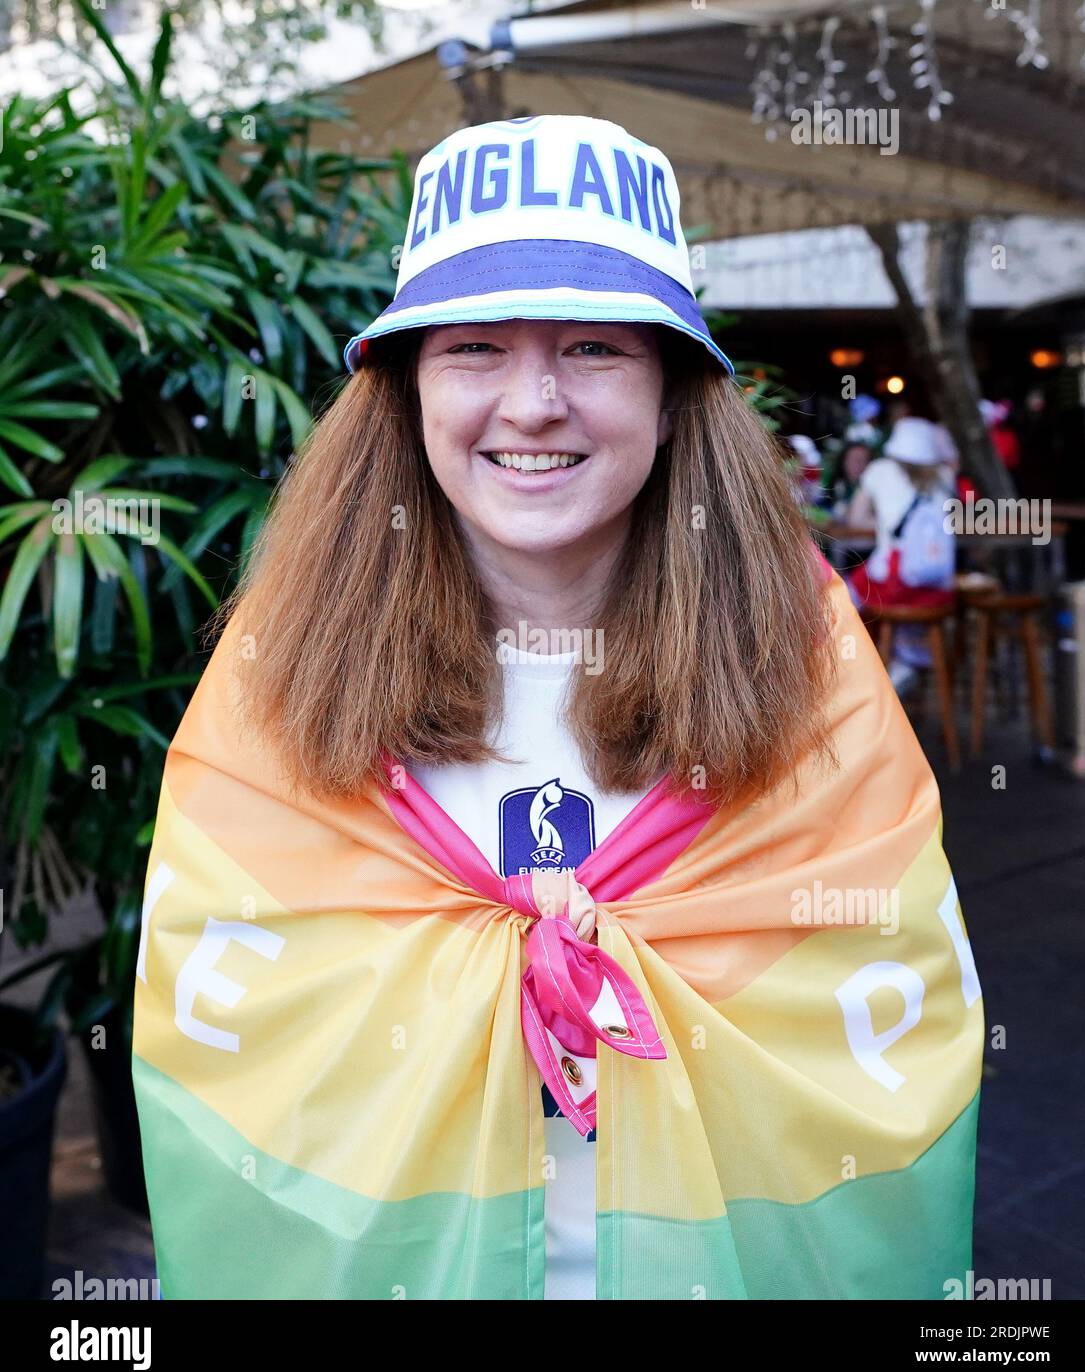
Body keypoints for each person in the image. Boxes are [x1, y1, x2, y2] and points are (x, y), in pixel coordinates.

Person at [130, 115, 983, 1300]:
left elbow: (894, 1034)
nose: (531, 403)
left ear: (675, 392)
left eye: (591, 347)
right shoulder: (283, 680)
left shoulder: (808, 673)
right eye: (472, 346)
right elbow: (222, 1044)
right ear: (405, 392)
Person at [846, 416, 958, 693]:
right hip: (939, 588)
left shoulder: (879, 470)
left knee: (845, 600)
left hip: (897, 582)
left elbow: (855, 520)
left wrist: (885, 523)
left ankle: (870, 668)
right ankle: (904, 656)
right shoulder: (944, 476)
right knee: (885, 604)